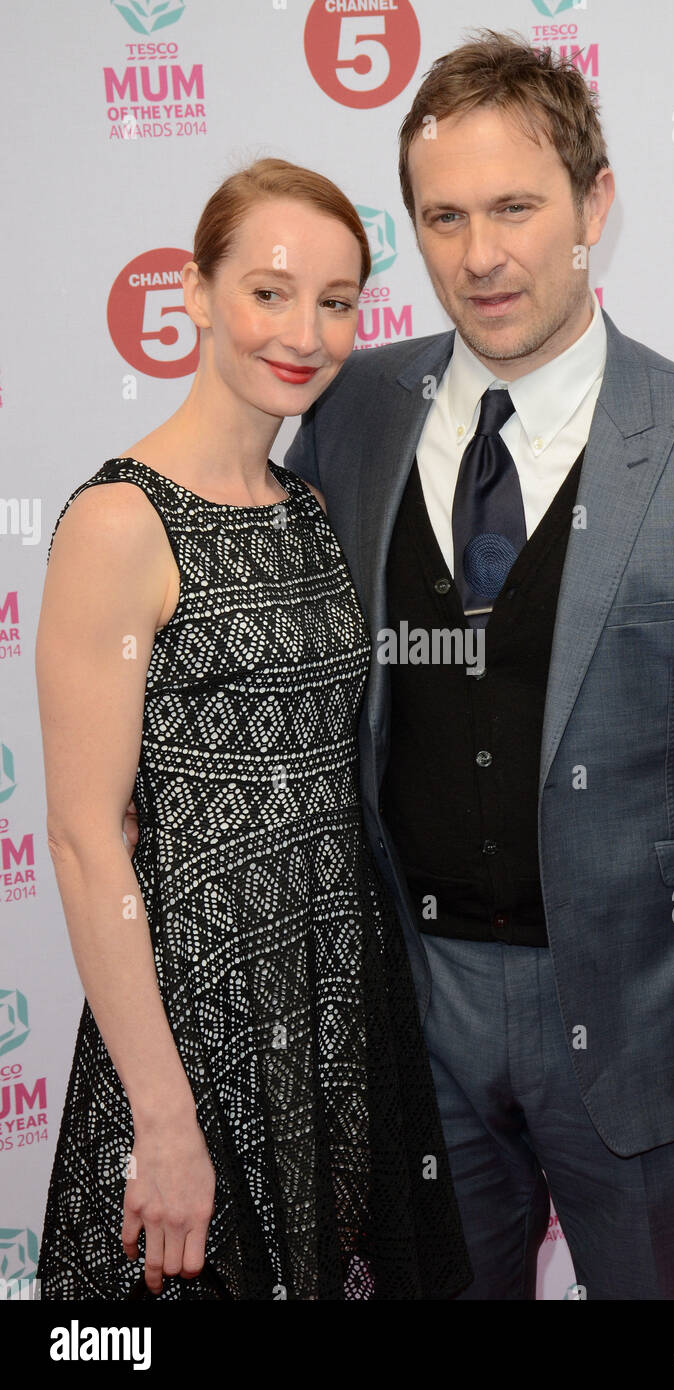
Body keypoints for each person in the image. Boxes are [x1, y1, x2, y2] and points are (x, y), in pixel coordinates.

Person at [279, 31, 674, 1299]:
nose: (481, 256)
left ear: (596, 202)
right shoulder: (351, 409)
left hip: (642, 1019)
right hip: (417, 1009)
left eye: (518, 207)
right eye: (444, 217)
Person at [35, 157, 471, 1301]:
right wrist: (164, 1117)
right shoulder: (120, 522)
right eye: (269, 291)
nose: (306, 331)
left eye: (337, 301)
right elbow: (85, 841)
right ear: (192, 290)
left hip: (337, 1010)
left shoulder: (312, 513)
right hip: (195, 1023)